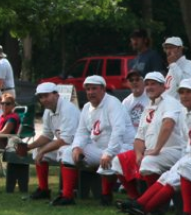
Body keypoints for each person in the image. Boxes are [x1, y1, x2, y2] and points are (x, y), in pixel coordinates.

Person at [116, 78, 191, 215]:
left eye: (189, 92)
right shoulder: (185, 110)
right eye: (182, 92)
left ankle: (143, 209)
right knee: (166, 176)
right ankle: (139, 205)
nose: (185, 95)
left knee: (175, 176)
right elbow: (188, 142)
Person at [52, 75, 135, 207]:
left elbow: (118, 131)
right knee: (66, 152)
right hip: (100, 148)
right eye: (88, 89)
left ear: (103, 89)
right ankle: (67, 196)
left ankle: (112, 195)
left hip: (122, 147)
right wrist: (77, 147)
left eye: (94, 89)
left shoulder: (112, 103)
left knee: (113, 160)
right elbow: (82, 131)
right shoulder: (86, 107)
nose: (91, 92)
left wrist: (109, 152)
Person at [115, 71, 186, 199]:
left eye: (153, 84)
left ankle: (156, 201)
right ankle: (135, 199)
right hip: (152, 151)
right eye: (147, 84)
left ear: (163, 86)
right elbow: (139, 136)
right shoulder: (149, 107)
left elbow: (167, 125)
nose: (149, 87)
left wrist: (156, 149)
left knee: (148, 162)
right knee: (117, 161)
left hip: (172, 150)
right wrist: (138, 154)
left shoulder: (170, 102)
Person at [23, 83, 81, 201]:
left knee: (64, 151)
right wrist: (28, 147)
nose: (43, 100)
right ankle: (43, 190)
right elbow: (47, 135)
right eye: (41, 97)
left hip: (79, 148)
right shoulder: (48, 111)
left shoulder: (68, 109)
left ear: (56, 95)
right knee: (37, 151)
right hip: (67, 146)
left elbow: (66, 140)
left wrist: (43, 150)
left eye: (46, 96)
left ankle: (67, 195)